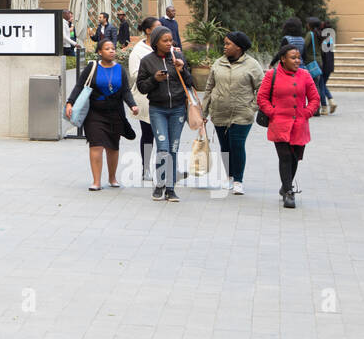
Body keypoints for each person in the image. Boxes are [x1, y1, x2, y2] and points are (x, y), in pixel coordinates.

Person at [67, 39, 137, 190]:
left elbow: (125, 90)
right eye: (107, 48)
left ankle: (112, 178)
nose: (112, 51)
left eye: (113, 48)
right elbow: (79, 86)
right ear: (100, 52)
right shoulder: (92, 67)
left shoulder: (120, 69)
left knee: (113, 147)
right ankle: (96, 181)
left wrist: (132, 105)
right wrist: (70, 102)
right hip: (94, 113)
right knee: (96, 145)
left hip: (115, 113)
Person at [136, 25, 194, 202]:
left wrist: (182, 69)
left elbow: (191, 83)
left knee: (173, 149)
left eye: (171, 40)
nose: (169, 43)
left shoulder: (179, 57)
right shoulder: (147, 61)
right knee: (163, 148)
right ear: (156, 42)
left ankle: (170, 188)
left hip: (177, 109)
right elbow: (141, 87)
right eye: (165, 40)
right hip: (158, 109)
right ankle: (159, 184)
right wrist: (154, 79)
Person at [202, 31, 263, 195]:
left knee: (237, 145)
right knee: (225, 146)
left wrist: (252, 107)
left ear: (238, 47)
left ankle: (238, 180)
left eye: (228, 44)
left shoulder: (252, 65)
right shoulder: (218, 63)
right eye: (225, 43)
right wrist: (204, 112)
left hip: (242, 114)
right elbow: (209, 88)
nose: (225, 46)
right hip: (219, 112)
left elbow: (262, 88)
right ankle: (229, 177)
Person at [259, 44, 319, 209]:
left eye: (298, 57)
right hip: (279, 124)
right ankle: (288, 192)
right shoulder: (272, 75)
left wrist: (307, 113)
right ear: (283, 59)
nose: (297, 61)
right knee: (285, 157)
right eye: (293, 58)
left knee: (294, 158)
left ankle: (286, 185)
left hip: (299, 124)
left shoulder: (305, 75)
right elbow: (262, 97)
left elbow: (315, 98)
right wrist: (272, 113)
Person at [128, 16, 160, 182]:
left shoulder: (166, 47)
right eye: (157, 27)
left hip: (165, 99)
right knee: (148, 134)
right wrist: (153, 76)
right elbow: (134, 76)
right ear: (148, 31)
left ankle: (166, 168)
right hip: (145, 98)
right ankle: (146, 168)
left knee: (164, 135)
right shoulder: (138, 51)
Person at [318, 22, 337, 114]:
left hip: (323, 66)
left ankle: (324, 107)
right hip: (330, 66)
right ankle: (331, 101)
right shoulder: (331, 40)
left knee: (321, 86)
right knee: (323, 85)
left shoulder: (322, 41)